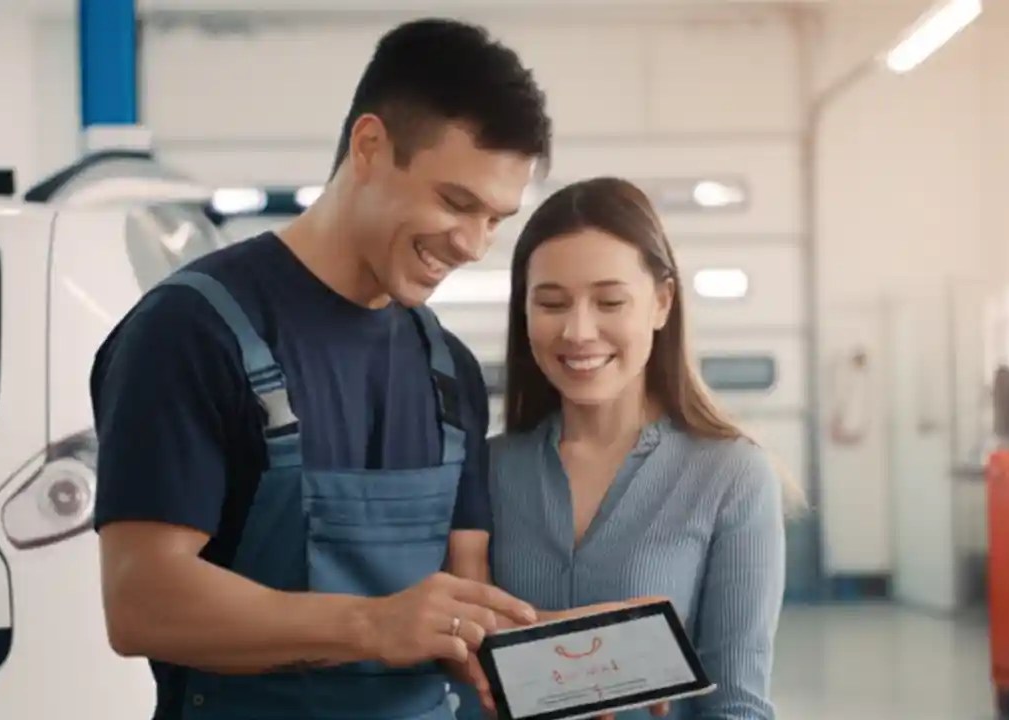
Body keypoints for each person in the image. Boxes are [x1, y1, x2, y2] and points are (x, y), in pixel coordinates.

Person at [89, 18, 555, 720]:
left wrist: (556, 659)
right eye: (456, 203)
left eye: (496, 218)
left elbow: (462, 593)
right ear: (369, 146)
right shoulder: (191, 331)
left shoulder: (449, 370)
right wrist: (371, 625)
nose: (473, 244)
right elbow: (141, 602)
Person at [456, 177, 801, 720]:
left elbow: (738, 702)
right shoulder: (486, 469)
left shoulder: (732, 475)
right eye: (550, 303)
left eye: (610, 301)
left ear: (662, 301)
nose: (578, 330)